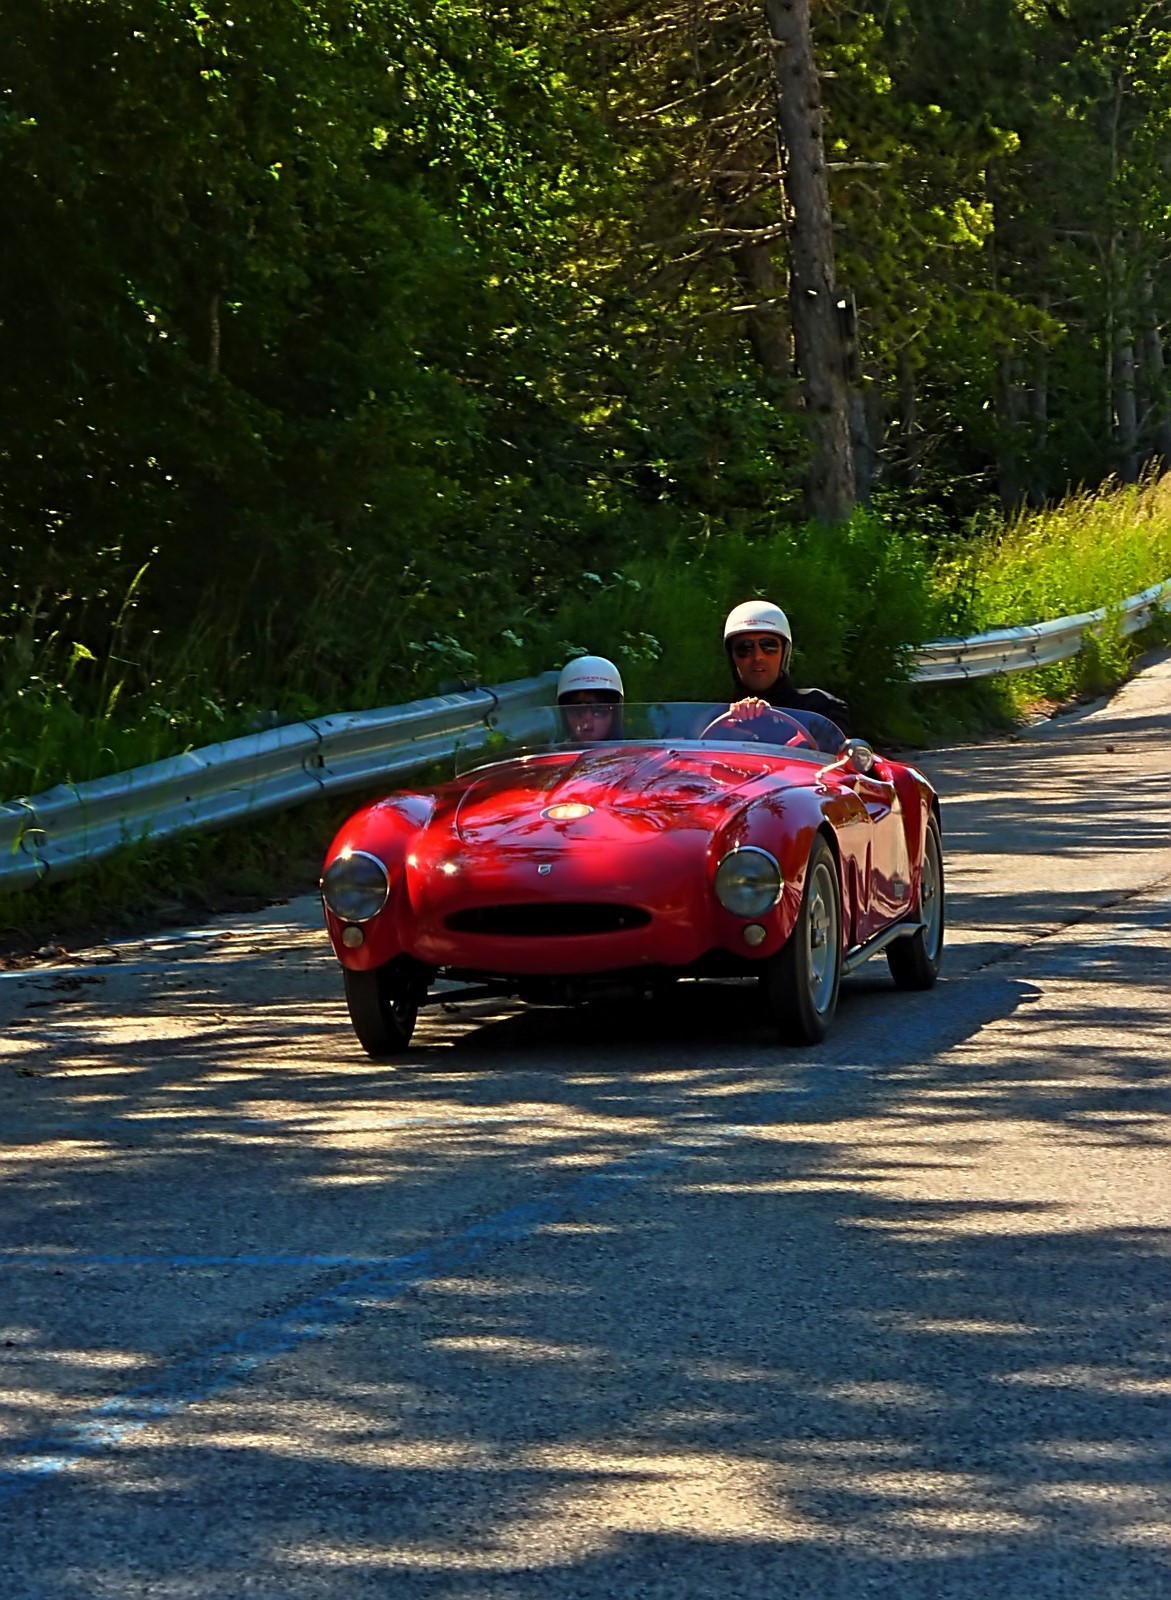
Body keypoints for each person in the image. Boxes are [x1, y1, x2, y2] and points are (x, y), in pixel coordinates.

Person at [723, 600, 851, 739]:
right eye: (745, 648)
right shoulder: (716, 717)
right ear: (732, 657)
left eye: (769, 646)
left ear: (784, 653)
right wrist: (727, 726)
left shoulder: (823, 708)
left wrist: (770, 717)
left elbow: (835, 754)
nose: (758, 656)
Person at [556, 655, 624, 742]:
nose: (588, 718)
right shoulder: (555, 754)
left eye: (599, 708)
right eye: (578, 710)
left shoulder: (632, 753)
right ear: (564, 715)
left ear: (615, 714)